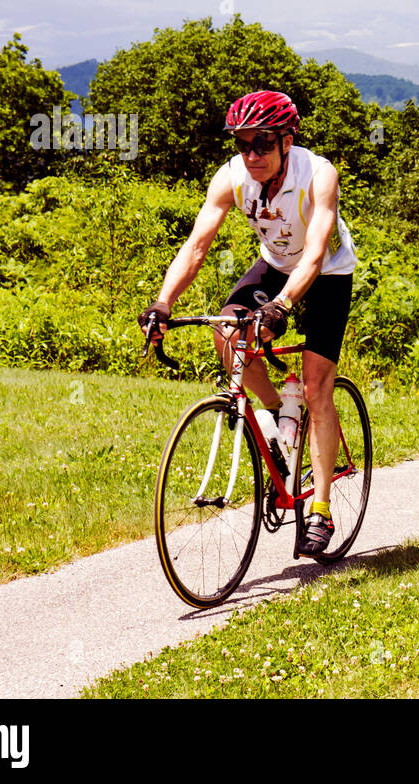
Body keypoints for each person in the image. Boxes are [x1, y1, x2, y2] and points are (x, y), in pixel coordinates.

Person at [138, 90, 356, 557]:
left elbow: (316, 252)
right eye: (243, 143)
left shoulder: (318, 175)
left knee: (318, 388)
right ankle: (278, 413)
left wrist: (282, 306)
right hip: (276, 264)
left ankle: (320, 508)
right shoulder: (232, 177)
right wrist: (163, 303)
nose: (251, 154)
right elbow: (197, 247)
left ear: (286, 140)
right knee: (228, 332)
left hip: (328, 275)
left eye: (262, 142)